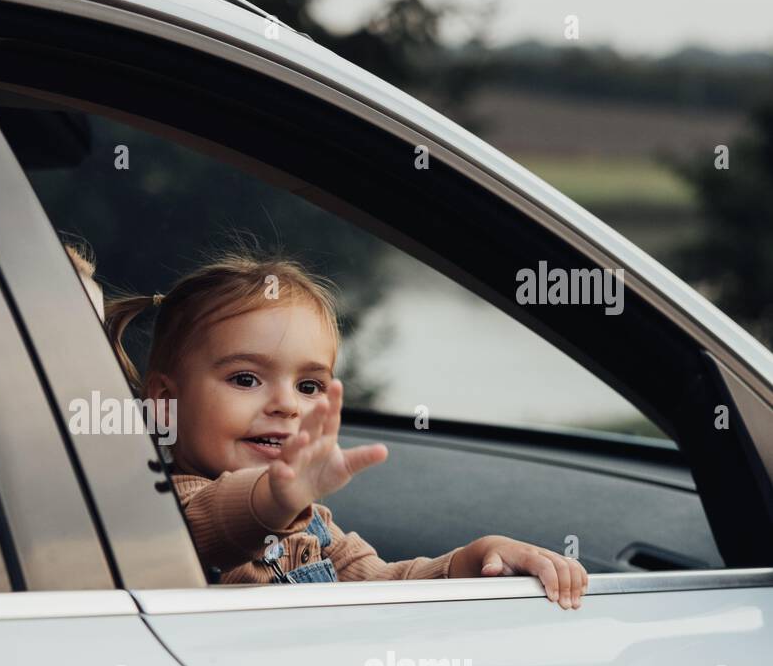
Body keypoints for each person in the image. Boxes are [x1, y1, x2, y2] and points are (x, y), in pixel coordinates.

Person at [104, 249, 589, 609]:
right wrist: (275, 498)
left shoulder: (314, 523)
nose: (286, 405)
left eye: (310, 385)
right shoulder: (160, 509)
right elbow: (213, 526)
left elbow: (383, 587)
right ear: (166, 401)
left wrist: (473, 558)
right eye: (246, 379)